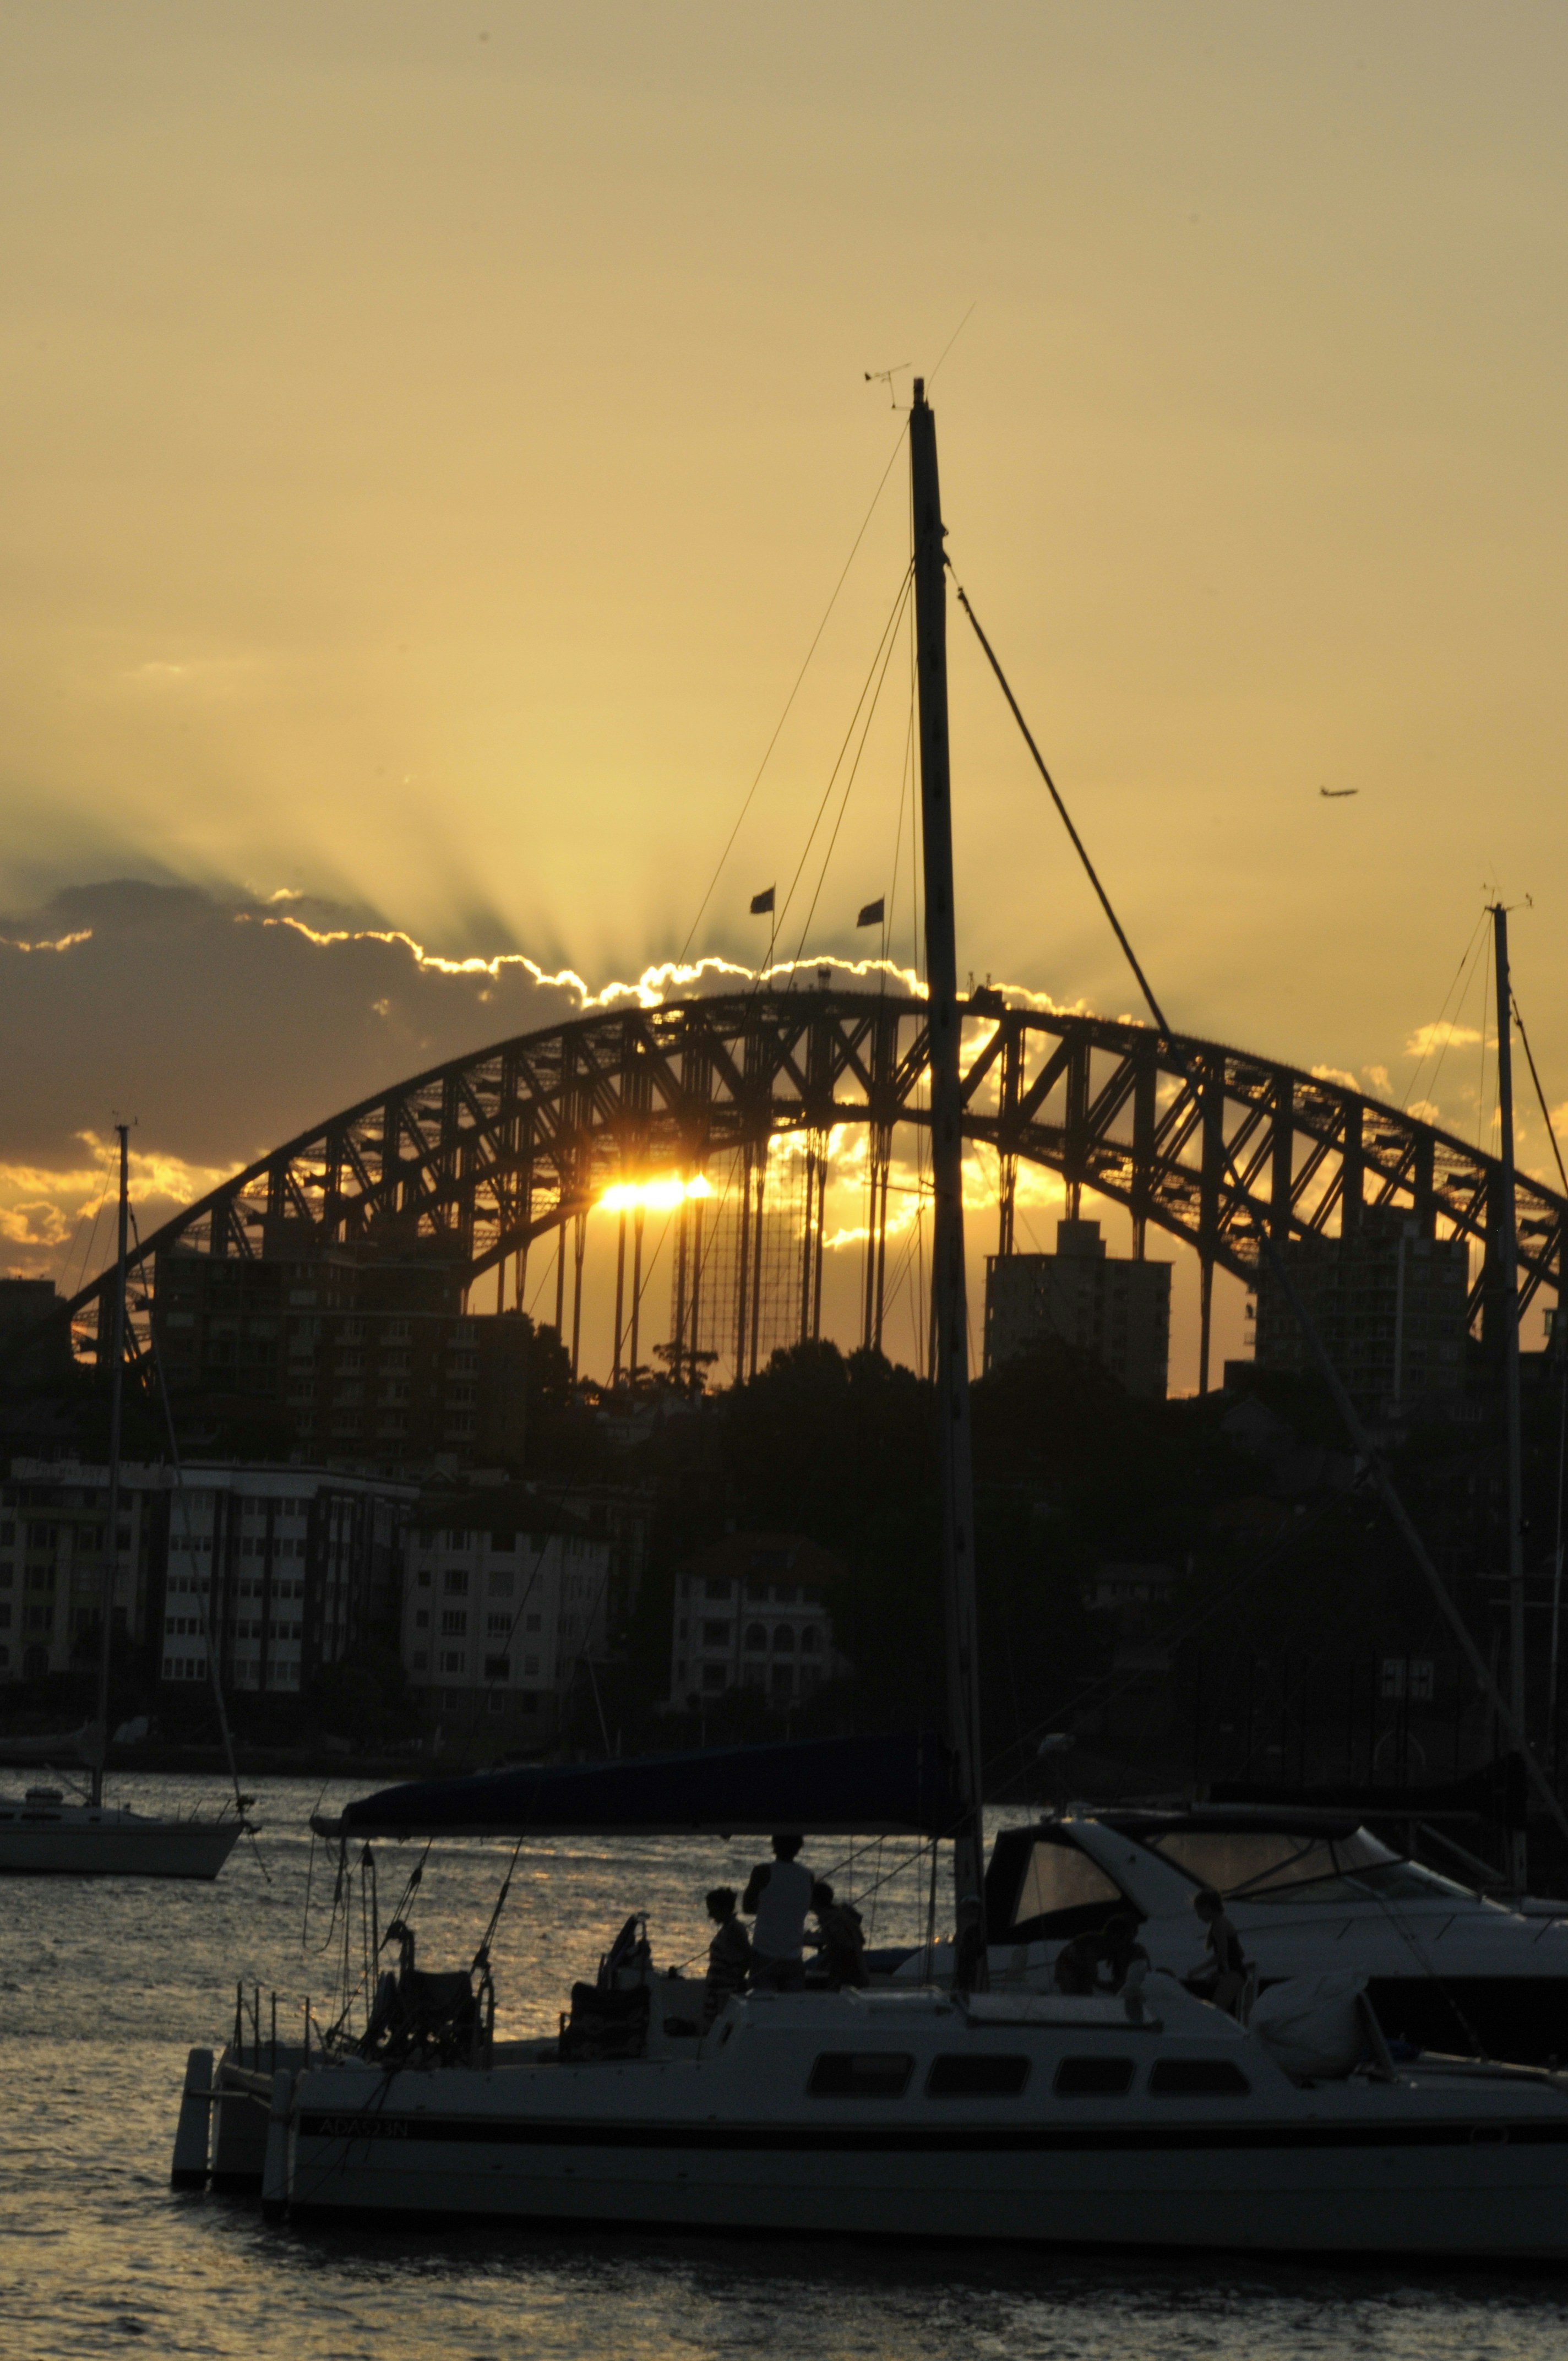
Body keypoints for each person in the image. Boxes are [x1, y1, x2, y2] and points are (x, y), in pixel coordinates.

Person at [742, 1832, 814, 1992]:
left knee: (762, 2007)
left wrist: (769, 1907)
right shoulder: (808, 1876)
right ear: (799, 1848)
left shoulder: (762, 1872)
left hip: (764, 1953)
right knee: (792, 2009)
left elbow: (747, 1907)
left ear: (774, 1845)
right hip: (794, 1955)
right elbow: (806, 1906)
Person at [1191, 1886, 1249, 2015]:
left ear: (1207, 1908)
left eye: (1199, 1911)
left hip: (1234, 1974)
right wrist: (1221, 1972)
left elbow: (1221, 1955)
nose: (1199, 1916)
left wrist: (1197, 1970)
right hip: (1237, 1973)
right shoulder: (1225, 1922)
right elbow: (1240, 1953)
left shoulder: (1218, 1925)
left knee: (1217, 2012)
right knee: (1217, 2010)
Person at [703, 1886, 750, 2025]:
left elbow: (747, 1957)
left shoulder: (734, 1929)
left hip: (726, 1992)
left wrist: (735, 1983)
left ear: (723, 1908)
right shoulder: (728, 1928)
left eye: (712, 1910)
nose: (710, 1915)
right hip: (718, 1991)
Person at [810, 1880, 868, 1990]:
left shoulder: (831, 1919)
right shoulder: (839, 1914)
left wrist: (827, 1962)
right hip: (856, 1972)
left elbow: (844, 1946)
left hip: (849, 1978)